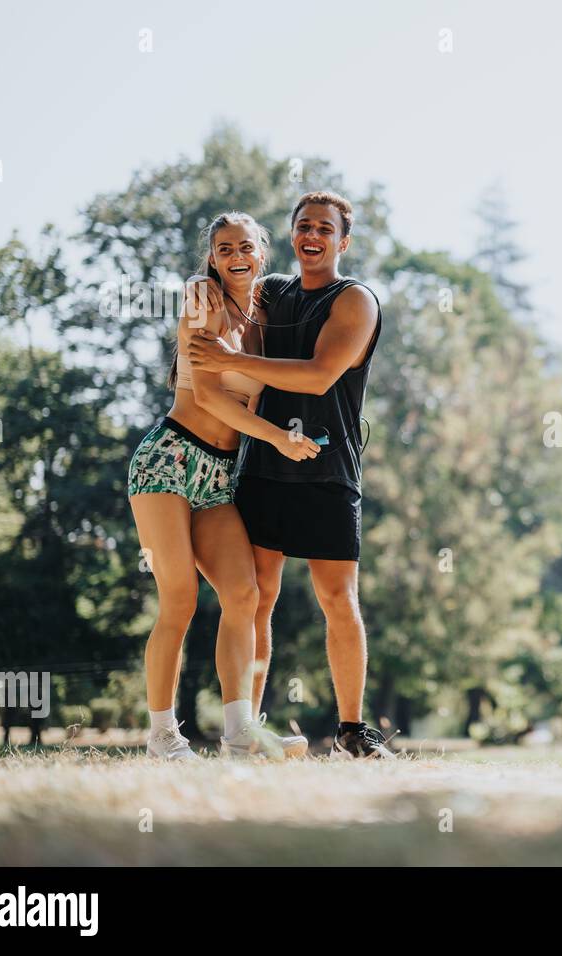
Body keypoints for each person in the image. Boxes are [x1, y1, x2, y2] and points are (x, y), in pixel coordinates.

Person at [187, 191, 393, 758]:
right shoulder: (273, 292)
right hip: (265, 470)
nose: (313, 235)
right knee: (257, 597)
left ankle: (352, 731)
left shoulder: (355, 301)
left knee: (337, 598)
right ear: (293, 234)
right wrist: (201, 292)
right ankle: (246, 730)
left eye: (325, 229)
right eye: (304, 226)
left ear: (342, 241)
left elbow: (319, 375)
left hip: (329, 473)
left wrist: (230, 362)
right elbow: (228, 281)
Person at [129, 211, 314, 761]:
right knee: (179, 601)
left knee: (244, 594)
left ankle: (240, 736)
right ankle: (162, 736)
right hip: (168, 460)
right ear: (212, 256)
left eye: (246, 246)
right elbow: (209, 397)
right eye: (224, 247)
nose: (236, 255)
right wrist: (280, 439)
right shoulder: (200, 300)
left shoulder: (263, 316)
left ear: (262, 252)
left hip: (217, 476)